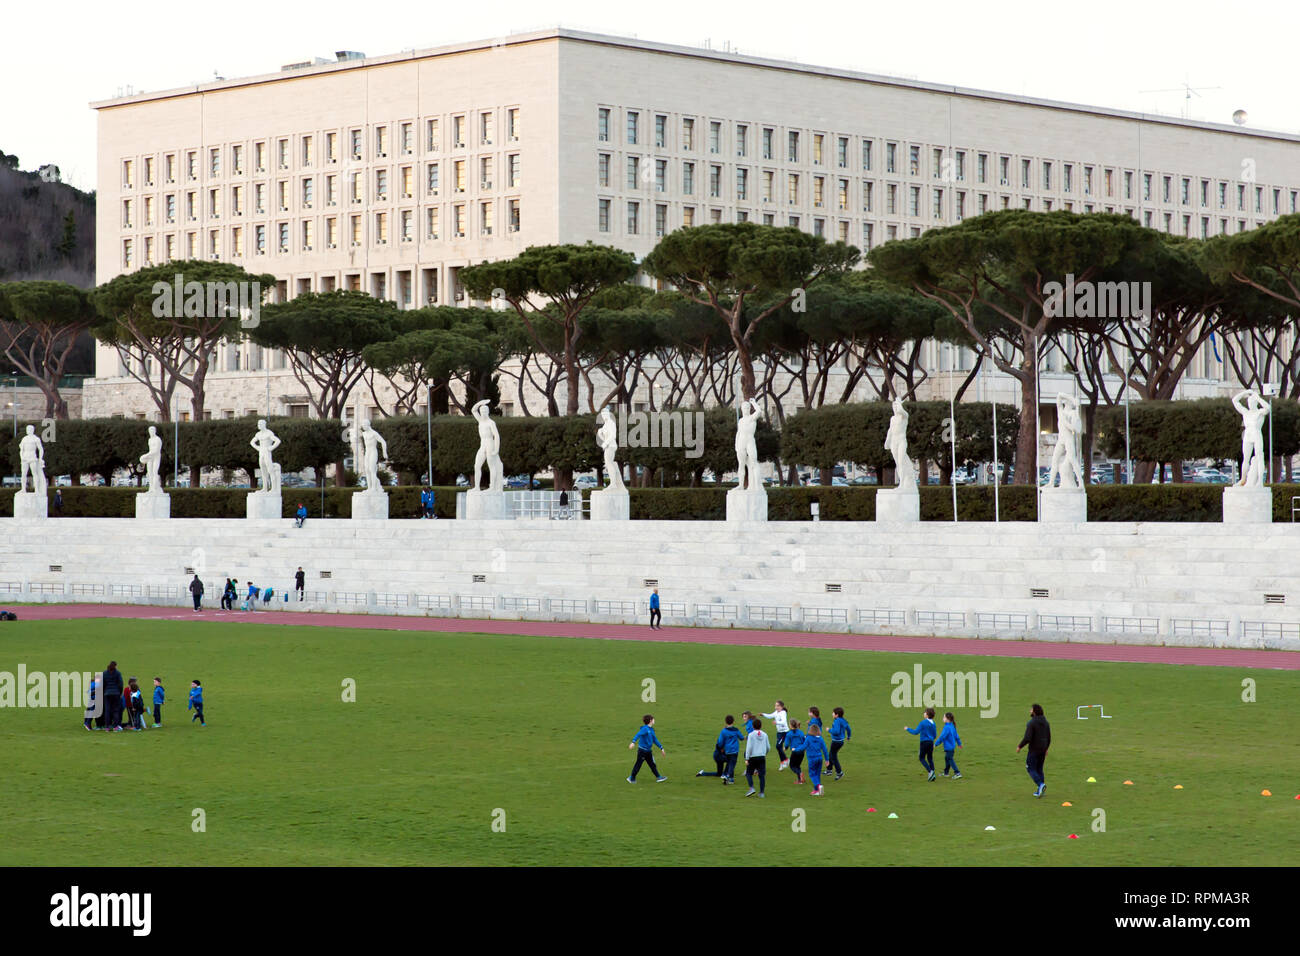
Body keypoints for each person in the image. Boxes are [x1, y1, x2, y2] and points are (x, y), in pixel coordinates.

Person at [1017, 703, 1051, 797]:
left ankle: (1041, 785)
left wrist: (1020, 746)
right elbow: (1048, 737)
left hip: (1034, 750)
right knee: (1039, 769)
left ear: (1035, 712)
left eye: (1031, 709)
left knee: (1030, 768)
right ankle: (1040, 791)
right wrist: (1046, 748)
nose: (1030, 711)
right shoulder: (1046, 723)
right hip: (1043, 750)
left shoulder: (1031, 723)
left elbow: (1027, 738)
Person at [697, 715, 743, 784]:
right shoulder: (736, 730)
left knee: (720, 772)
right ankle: (727, 777)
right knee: (731, 763)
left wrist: (720, 748)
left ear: (725, 722)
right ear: (733, 721)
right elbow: (741, 738)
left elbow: (720, 742)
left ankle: (703, 773)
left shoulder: (723, 731)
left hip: (718, 754)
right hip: (725, 753)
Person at [627, 714, 666, 783]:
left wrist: (661, 748)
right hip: (642, 751)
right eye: (653, 719)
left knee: (652, 764)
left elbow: (655, 740)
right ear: (650, 720)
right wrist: (633, 742)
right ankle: (631, 778)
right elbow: (638, 734)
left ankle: (659, 777)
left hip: (648, 751)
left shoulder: (651, 730)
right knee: (638, 764)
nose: (654, 720)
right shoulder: (645, 729)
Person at [906, 707, 938, 781]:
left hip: (924, 743)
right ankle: (932, 774)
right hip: (931, 743)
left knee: (921, 758)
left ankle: (930, 772)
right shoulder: (933, 723)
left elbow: (915, 732)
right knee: (930, 758)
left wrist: (907, 729)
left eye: (924, 712)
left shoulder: (923, 723)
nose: (923, 713)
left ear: (927, 714)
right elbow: (935, 735)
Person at [744, 716, 770, 797]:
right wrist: (764, 753)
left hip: (753, 757)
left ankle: (751, 788)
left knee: (748, 773)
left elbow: (749, 747)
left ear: (753, 726)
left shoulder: (751, 735)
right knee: (761, 775)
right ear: (761, 726)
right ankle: (762, 793)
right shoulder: (765, 735)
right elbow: (768, 747)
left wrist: (747, 758)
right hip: (762, 757)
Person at [761, 701, 791, 770]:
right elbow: (770, 716)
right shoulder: (776, 712)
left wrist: (776, 722)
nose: (776, 707)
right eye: (775, 706)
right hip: (779, 732)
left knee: (778, 746)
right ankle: (783, 761)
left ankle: (785, 760)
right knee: (778, 747)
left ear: (781, 707)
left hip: (784, 732)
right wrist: (763, 714)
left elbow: (783, 721)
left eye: (777, 706)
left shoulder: (783, 713)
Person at [828, 706, 852, 780]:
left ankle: (839, 772)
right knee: (831, 754)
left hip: (836, 742)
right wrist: (848, 736)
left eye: (833, 713)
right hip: (841, 741)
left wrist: (829, 730)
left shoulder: (837, 721)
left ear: (837, 715)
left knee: (833, 756)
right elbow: (849, 729)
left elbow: (836, 731)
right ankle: (829, 769)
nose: (832, 714)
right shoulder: (843, 720)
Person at [805, 724, 828, 796]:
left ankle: (818, 786)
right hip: (819, 758)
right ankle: (816, 790)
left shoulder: (808, 738)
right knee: (817, 774)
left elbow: (803, 746)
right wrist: (827, 760)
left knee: (812, 774)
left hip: (812, 759)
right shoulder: (820, 739)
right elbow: (825, 750)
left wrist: (796, 749)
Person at [938, 712, 963, 778]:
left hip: (949, 747)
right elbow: (956, 736)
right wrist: (959, 743)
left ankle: (957, 773)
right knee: (947, 758)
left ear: (948, 719)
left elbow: (942, 737)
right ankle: (946, 773)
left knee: (950, 759)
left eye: (944, 717)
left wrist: (935, 744)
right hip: (951, 746)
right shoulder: (952, 725)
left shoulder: (947, 727)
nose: (942, 718)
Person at [102, 662, 124, 731]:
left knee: (107, 710)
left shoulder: (104, 673)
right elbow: (121, 684)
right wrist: (119, 693)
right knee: (116, 710)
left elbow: (102, 684)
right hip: (116, 694)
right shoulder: (118, 673)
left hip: (107, 694)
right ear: (115, 666)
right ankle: (115, 727)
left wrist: (104, 692)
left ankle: (107, 727)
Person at [785, 719, 807, 784]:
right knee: (797, 765)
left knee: (792, 766)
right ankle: (800, 780)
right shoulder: (801, 732)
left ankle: (800, 774)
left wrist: (785, 748)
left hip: (795, 752)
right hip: (801, 751)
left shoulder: (789, 734)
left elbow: (786, 744)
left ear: (791, 725)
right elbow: (804, 741)